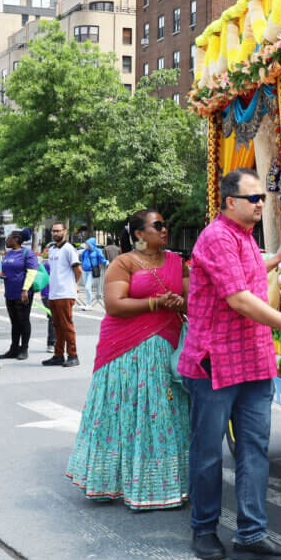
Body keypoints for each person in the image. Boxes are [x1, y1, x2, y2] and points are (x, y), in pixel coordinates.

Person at [183, 168, 281, 560]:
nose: (261, 204)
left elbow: (250, 273)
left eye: (262, 197)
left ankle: (251, 536)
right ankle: (204, 529)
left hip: (254, 361)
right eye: (253, 198)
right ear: (230, 202)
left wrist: (276, 259)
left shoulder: (244, 237)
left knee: (255, 451)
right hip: (216, 363)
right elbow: (239, 298)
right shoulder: (217, 237)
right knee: (208, 452)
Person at [67, 209, 191, 509]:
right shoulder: (123, 263)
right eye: (158, 225)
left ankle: (165, 484)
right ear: (138, 234)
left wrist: (179, 302)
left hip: (165, 348)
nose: (165, 230)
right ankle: (114, 482)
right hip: (124, 350)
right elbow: (114, 305)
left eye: (165, 225)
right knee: (123, 414)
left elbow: (193, 302)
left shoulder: (178, 263)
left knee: (163, 413)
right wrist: (156, 302)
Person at [44, 222, 82, 367]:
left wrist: (73, 284)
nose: (55, 233)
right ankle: (58, 355)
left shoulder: (69, 249)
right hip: (54, 293)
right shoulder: (52, 250)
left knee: (66, 325)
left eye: (58, 231)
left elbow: (78, 270)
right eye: (53, 231)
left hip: (65, 293)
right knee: (57, 326)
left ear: (65, 232)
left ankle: (73, 355)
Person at [0, 231, 39, 360]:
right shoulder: (9, 253)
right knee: (14, 322)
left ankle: (24, 348)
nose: (6, 240)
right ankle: (14, 348)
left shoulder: (28, 254)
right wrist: (3, 275)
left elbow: (32, 272)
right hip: (9, 292)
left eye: (9, 238)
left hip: (23, 293)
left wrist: (25, 289)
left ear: (16, 239)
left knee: (23, 320)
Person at [78, 238, 108, 310]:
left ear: (91, 244)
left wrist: (106, 262)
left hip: (92, 271)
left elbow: (102, 259)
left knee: (87, 287)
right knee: (87, 288)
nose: (86, 245)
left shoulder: (97, 251)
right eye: (86, 244)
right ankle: (88, 304)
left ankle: (89, 305)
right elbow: (81, 258)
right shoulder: (85, 251)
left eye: (88, 244)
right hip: (84, 271)